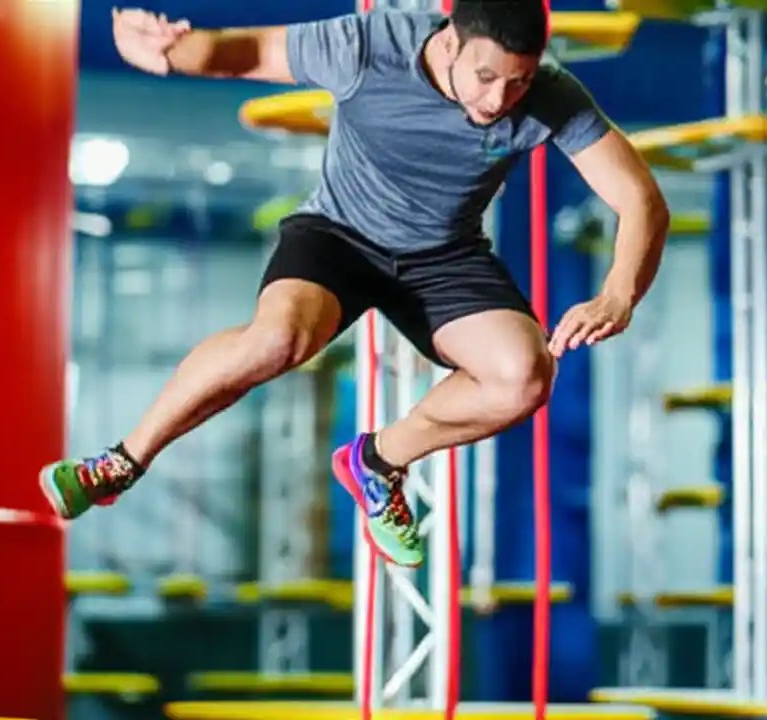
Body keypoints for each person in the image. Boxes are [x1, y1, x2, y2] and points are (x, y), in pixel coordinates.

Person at [40, 0, 670, 569]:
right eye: (486, 78)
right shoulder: (370, 47)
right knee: (276, 341)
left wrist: (619, 291)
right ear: (449, 43)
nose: (500, 99)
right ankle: (121, 462)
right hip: (339, 235)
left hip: (443, 255)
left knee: (524, 377)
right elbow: (250, 51)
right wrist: (169, 50)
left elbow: (640, 200)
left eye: (519, 81)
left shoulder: (551, 95)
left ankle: (376, 463)